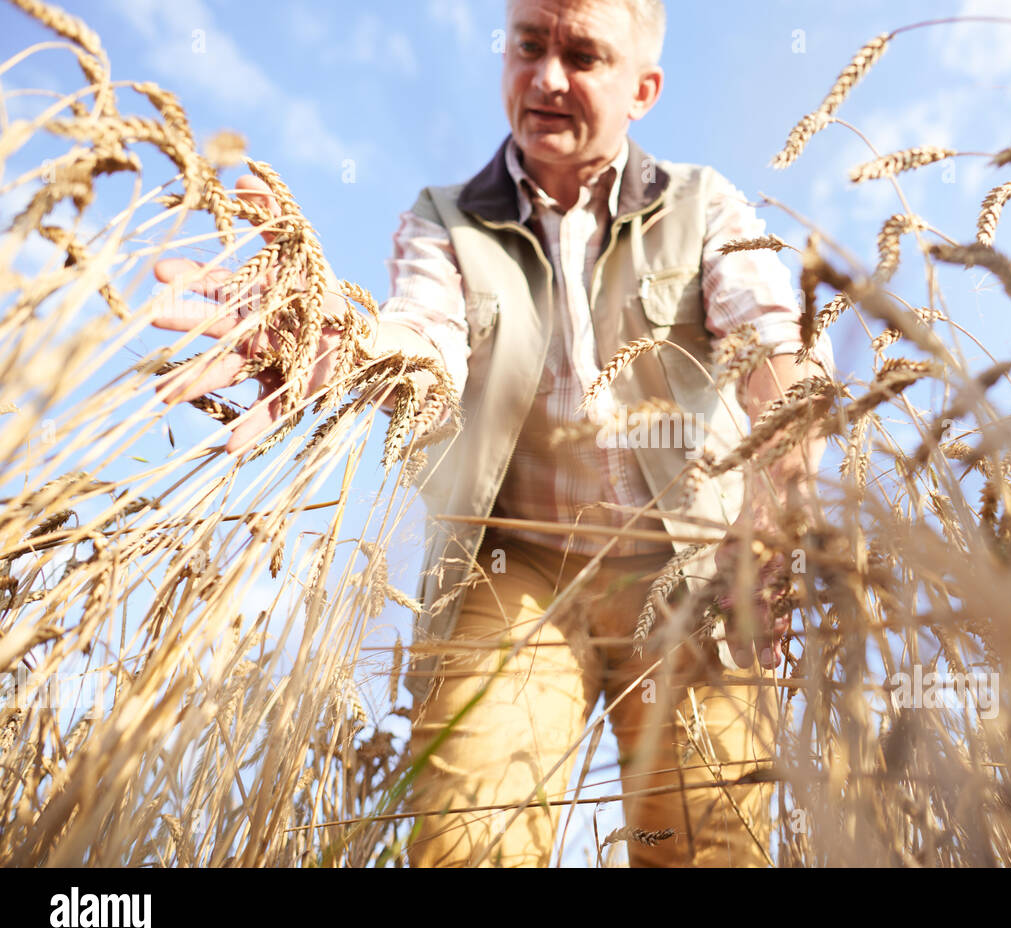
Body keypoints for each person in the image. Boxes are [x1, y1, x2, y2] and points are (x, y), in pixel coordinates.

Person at [147, 0, 833, 867]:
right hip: (518, 574)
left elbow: (780, 346)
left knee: (704, 848)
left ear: (643, 89)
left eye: (582, 54)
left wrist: (783, 493)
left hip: (696, 569)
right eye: (529, 45)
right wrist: (345, 343)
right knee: (473, 831)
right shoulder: (445, 221)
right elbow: (423, 338)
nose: (548, 76)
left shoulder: (705, 206)